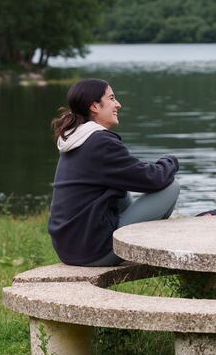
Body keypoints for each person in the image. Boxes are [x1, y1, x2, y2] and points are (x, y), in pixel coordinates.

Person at [47, 78, 180, 266]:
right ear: (94, 106)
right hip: (94, 252)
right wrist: (171, 161)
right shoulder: (100, 143)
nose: (118, 104)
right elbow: (154, 179)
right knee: (170, 186)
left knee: (118, 188)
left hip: (71, 249)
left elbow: (134, 173)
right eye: (111, 98)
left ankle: (156, 240)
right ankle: (154, 243)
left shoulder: (77, 138)